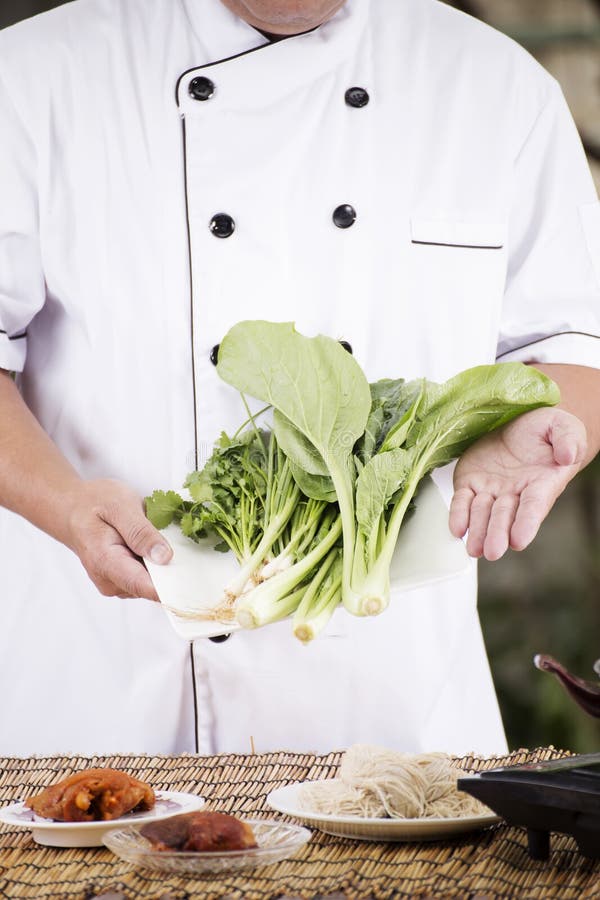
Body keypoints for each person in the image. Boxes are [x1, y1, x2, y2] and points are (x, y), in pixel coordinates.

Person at [1, 0, 599, 758]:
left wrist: (536, 436)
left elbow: (577, 342)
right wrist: (65, 504)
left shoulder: (495, 87)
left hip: (394, 706)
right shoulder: (33, 77)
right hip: (103, 690)